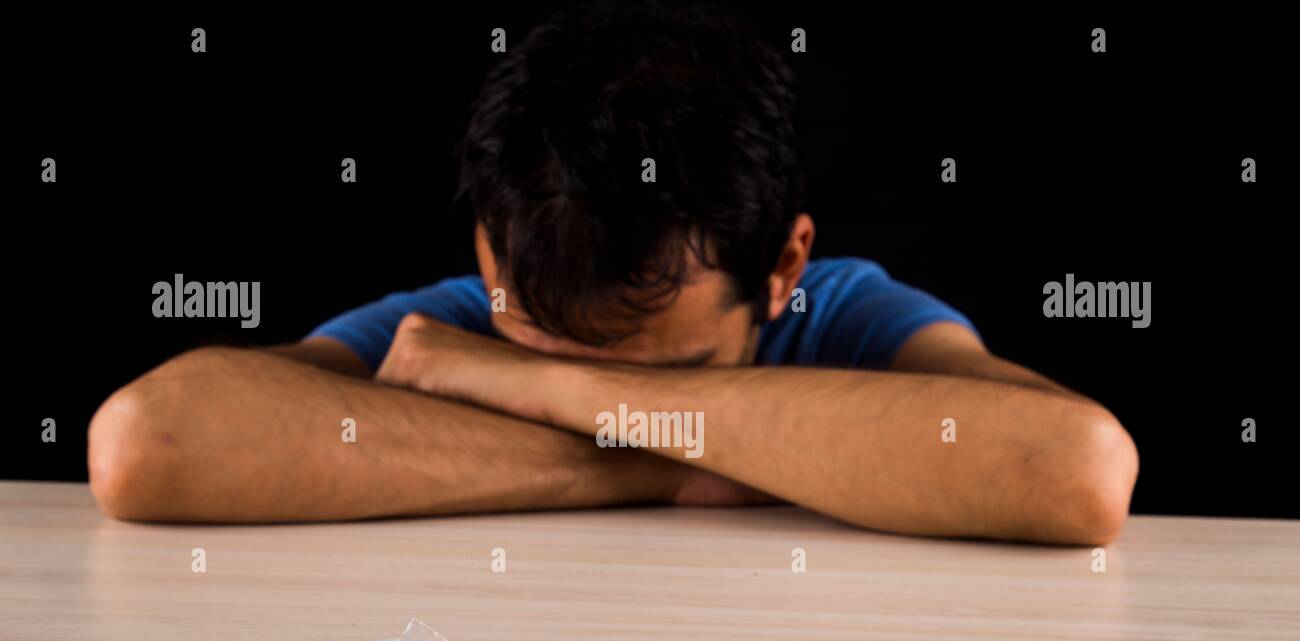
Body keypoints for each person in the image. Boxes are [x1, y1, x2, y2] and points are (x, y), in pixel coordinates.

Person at [88, 2, 1137, 544]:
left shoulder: (847, 313)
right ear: (489, 259)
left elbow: (1079, 468)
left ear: (782, 267)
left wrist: (545, 395)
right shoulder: (467, 319)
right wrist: (671, 454)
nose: (581, 399)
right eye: (535, 352)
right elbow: (147, 442)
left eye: (662, 376)